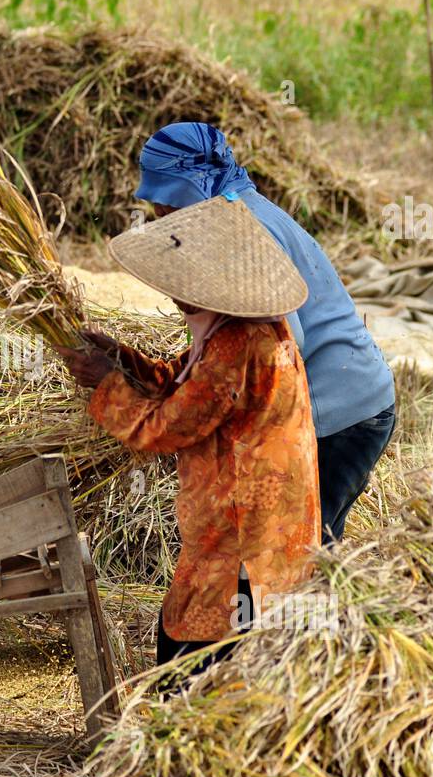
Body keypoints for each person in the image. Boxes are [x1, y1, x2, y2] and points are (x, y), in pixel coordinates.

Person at [57, 196, 320, 672]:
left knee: (208, 645)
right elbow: (181, 384)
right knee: (208, 629)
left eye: (183, 282)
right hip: (248, 513)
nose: (173, 293)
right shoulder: (234, 331)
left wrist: (106, 384)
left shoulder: (238, 344)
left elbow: (165, 427)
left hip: (246, 521)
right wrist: (120, 358)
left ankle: (188, 730)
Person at [135, 122, 396, 544]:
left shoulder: (243, 232)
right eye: (156, 202)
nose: (161, 212)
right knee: (301, 555)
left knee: (293, 556)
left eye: (169, 199)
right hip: (351, 401)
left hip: (338, 414)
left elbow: (283, 349)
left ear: (195, 184)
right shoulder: (235, 211)